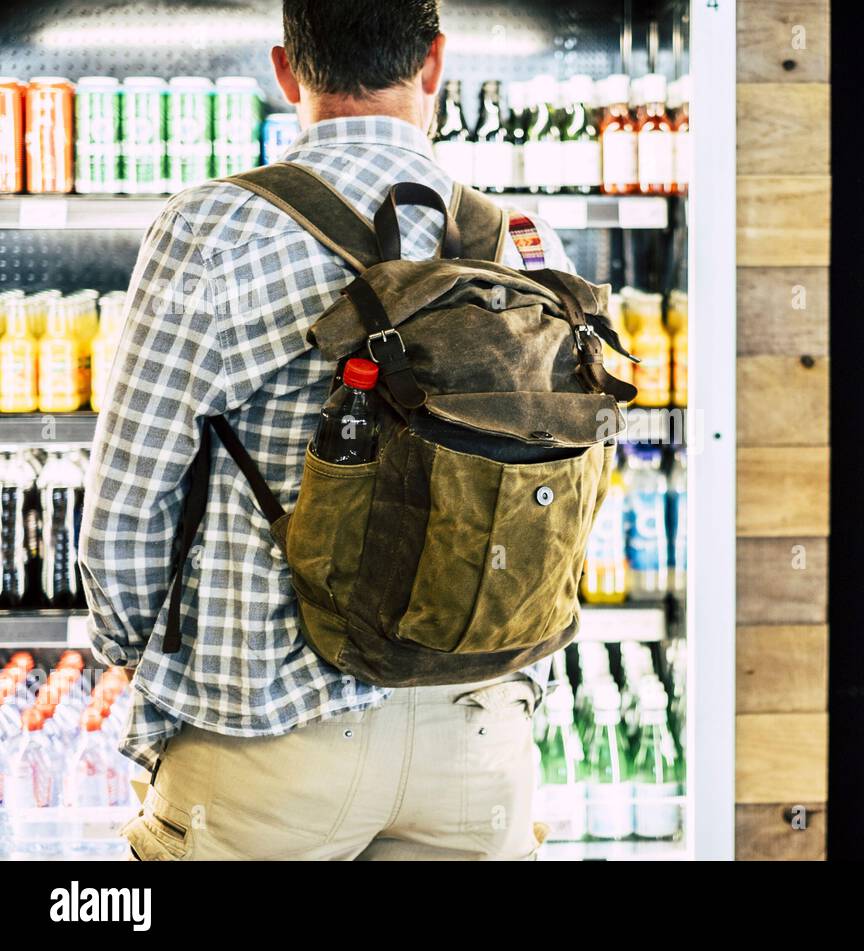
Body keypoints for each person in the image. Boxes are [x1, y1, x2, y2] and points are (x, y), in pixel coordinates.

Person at [80, 0, 572, 860]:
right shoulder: (523, 243)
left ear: (286, 70)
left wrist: (135, 650)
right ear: (434, 65)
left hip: (269, 724)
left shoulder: (215, 228)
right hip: (478, 731)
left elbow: (128, 500)